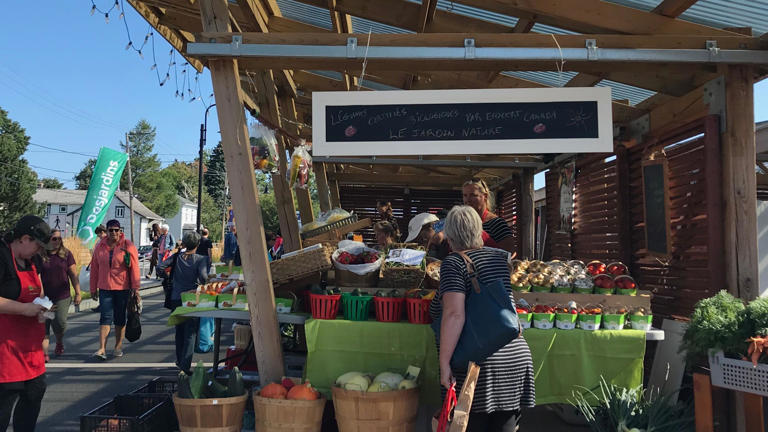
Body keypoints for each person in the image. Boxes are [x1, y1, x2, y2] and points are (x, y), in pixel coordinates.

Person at [430, 206, 534, 431]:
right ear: (479, 230)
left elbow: (454, 314)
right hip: (514, 355)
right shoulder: (499, 258)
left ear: (449, 235)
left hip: (479, 362)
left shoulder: (453, 263)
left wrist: (444, 363)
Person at [0, 215, 52, 432]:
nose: (39, 252)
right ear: (23, 238)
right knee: (4, 404)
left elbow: (38, 290)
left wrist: (42, 308)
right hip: (6, 349)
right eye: (37, 246)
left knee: (35, 393)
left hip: (30, 348)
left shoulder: (33, 261)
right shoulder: (2, 256)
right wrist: (24, 309)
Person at [157, 232, 209, 374]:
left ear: (184, 243)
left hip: (175, 297)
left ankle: (180, 360)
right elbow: (204, 278)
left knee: (179, 330)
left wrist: (168, 277)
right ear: (198, 244)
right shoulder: (201, 259)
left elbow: (160, 267)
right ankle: (185, 366)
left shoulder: (176, 257)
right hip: (192, 298)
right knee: (190, 332)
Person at [89, 219, 140, 360]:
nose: (113, 233)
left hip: (122, 288)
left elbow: (134, 268)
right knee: (105, 317)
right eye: (110, 230)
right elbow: (95, 268)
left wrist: (135, 288)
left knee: (119, 317)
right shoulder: (101, 246)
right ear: (107, 231)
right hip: (105, 287)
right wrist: (93, 288)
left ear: (120, 231)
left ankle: (118, 346)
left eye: (116, 230)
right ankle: (102, 348)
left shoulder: (127, 245)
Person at [37, 230, 81, 360]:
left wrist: (78, 292)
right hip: (45, 297)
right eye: (54, 239)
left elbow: (73, 275)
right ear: (48, 240)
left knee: (59, 323)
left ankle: (59, 341)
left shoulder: (66, 255)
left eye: (59, 239)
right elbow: (36, 276)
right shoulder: (40, 256)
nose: (57, 241)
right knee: (44, 325)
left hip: (62, 296)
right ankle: (44, 354)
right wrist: (41, 296)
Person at [463, 178, 517, 255]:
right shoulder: (464, 223)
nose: (467, 200)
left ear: (485, 196)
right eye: (465, 195)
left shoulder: (497, 223)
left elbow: (510, 253)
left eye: (473, 195)